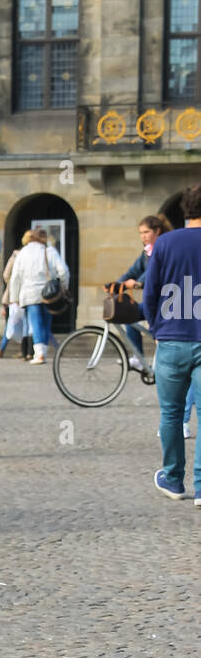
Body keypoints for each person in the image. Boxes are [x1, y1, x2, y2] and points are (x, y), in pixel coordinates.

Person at [143, 184, 201, 505]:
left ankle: (174, 480)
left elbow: (151, 292)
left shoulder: (164, 243)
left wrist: (155, 327)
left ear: (185, 211)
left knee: (171, 414)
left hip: (172, 336)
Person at [118, 214, 170, 373]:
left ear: (157, 231)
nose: (143, 236)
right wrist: (117, 284)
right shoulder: (146, 253)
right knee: (130, 315)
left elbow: (151, 274)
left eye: (146, 232)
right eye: (141, 233)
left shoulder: (164, 249)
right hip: (152, 302)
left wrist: (138, 283)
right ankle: (138, 357)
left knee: (159, 336)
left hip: (165, 303)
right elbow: (133, 271)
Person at [9, 227, 68, 364]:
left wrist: (14, 298)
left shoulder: (23, 253)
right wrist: (63, 287)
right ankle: (43, 353)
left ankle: (39, 354)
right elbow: (63, 271)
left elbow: (15, 277)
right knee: (46, 323)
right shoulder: (50, 251)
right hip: (48, 294)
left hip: (29, 293)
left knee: (35, 323)